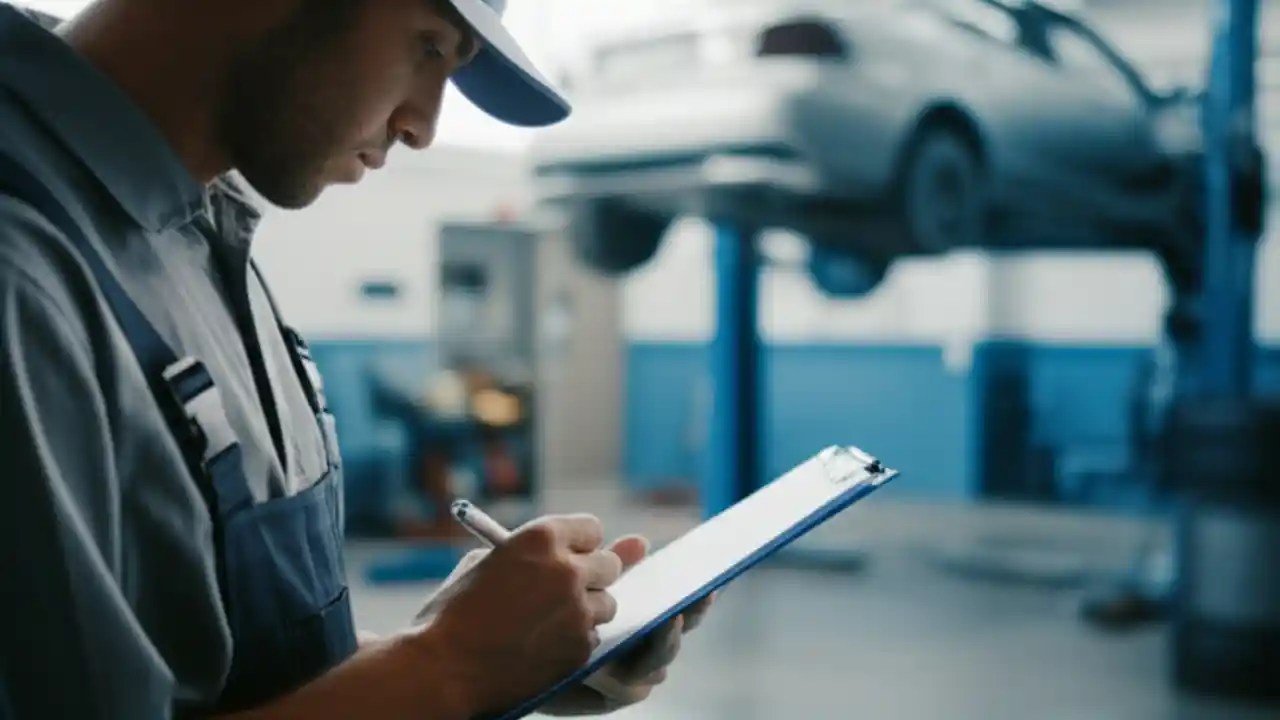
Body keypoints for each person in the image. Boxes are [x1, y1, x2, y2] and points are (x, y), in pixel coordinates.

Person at [0, 1, 712, 718]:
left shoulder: (203, 233)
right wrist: (448, 666)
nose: (423, 126)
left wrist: (492, 653)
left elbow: (236, 678)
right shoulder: (22, 269)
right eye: (429, 48)